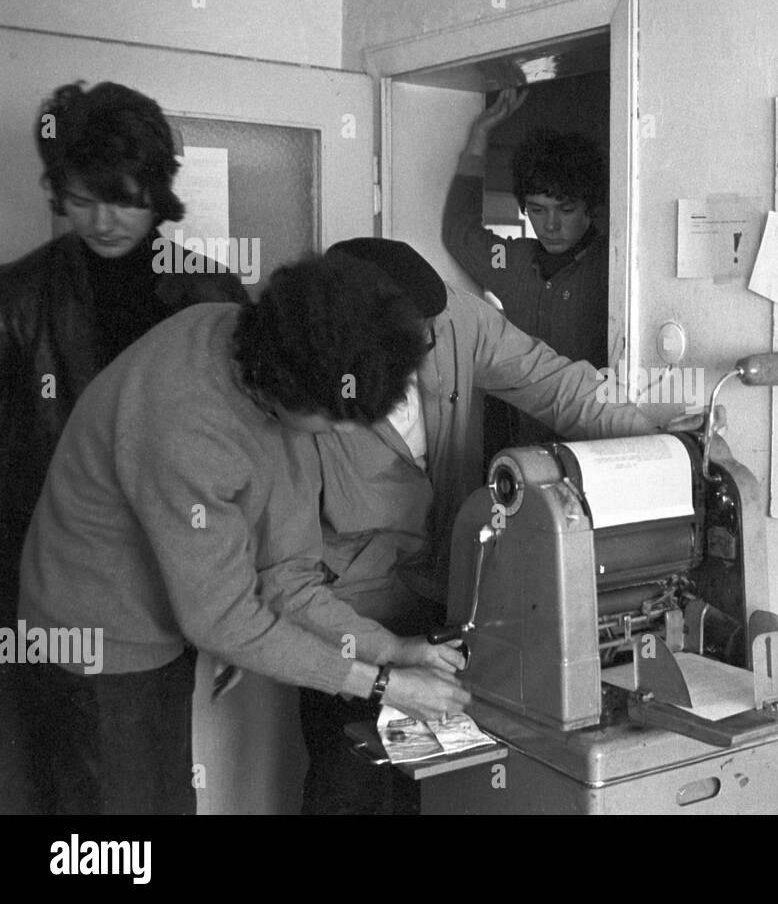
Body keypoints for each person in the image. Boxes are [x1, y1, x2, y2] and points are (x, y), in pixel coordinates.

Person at [16, 253, 469, 815]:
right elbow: (222, 618)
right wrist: (382, 685)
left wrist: (394, 649)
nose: (342, 434)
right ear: (292, 389)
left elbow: (289, 581)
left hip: (163, 617)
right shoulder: (187, 419)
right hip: (93, 635)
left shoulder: (263, 361)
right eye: (335, 420)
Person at [295, 237, 656, 814]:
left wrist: (657, 444)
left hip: (452, 595)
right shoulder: (307, 377)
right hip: (345, 613)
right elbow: (279, 572)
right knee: (352, 785)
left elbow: (562, 387)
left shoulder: (455, 320)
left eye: (428, 336)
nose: (425, 352)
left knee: (439, 784)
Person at [0, 80, 246, 814]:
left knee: (143, 787)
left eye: (126, 196)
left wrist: (241, 606)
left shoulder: (212, 297)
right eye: (81, 197)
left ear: (159, 191)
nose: (104, 219)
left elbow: (249, 466)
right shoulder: (19, 298)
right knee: (46, 785)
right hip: (34, 588)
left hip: (165, 589)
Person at [441, 87, 610, 453]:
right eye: (536, 209)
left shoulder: (612, 268)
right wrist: (479, 136)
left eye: (565, 210)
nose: (550, 225)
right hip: (529, 455)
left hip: (602, 454)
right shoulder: (512, 260)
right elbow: (459, 231)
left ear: (589, 207)